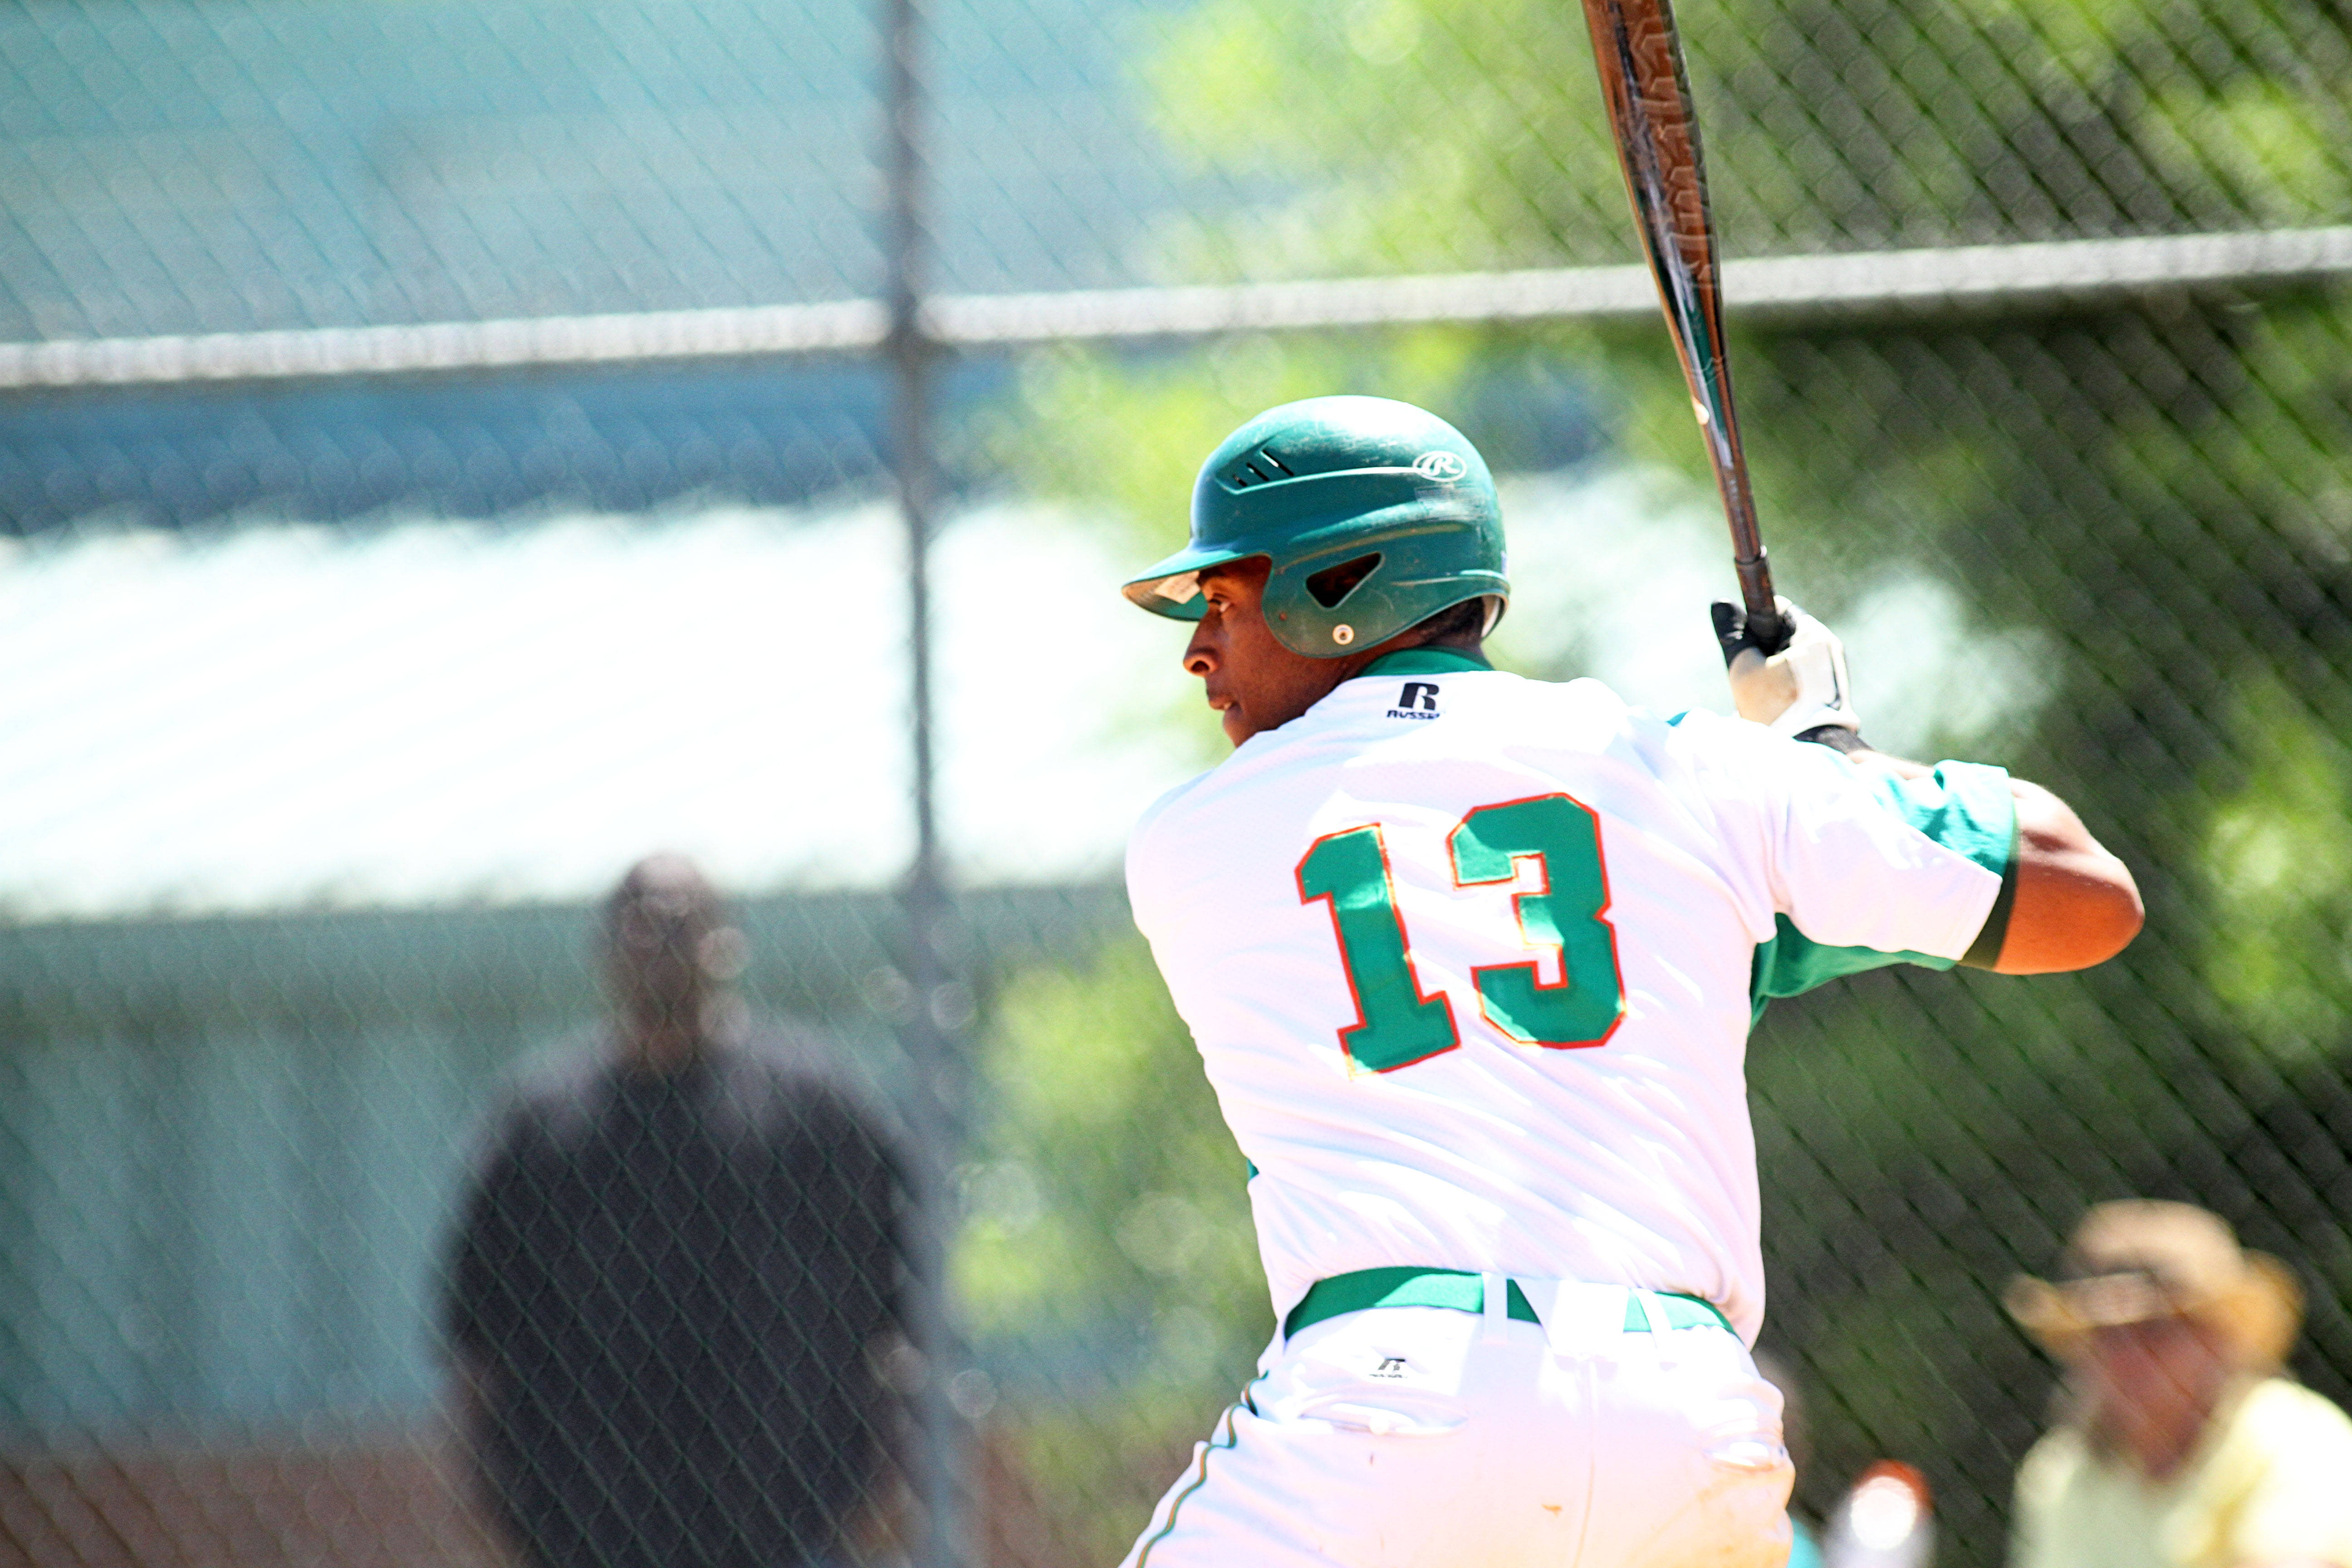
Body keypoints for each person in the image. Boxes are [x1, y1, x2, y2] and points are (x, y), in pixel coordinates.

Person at [1113, 395, 2143, 1568]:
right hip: (1692, 1419)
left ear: (1340, 591)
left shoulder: (1192, 840)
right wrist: (1820, 753)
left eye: (1227, 602)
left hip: (1388, 1412)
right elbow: (2084, 894)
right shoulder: (1684, 768)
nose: (1199, 650)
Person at [441, 855, 906, 1568]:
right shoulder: (542, 1129)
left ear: (727, 944)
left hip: (788, 1533)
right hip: (587, 1534)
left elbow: (898, 1323)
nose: (656, 938)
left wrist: (885, 1497)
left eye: (680, 921)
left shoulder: (817, 1113)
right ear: (603, 951)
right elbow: (476, 1349)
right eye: (636, 921)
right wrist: (490, 1518)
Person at [2006, 1200, 2352, 1568]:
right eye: (2105, 1334)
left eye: (2156, 1330)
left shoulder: (2294, 1437)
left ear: (2220, 1337)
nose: (2128, 1355)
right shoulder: (2062, 1472)